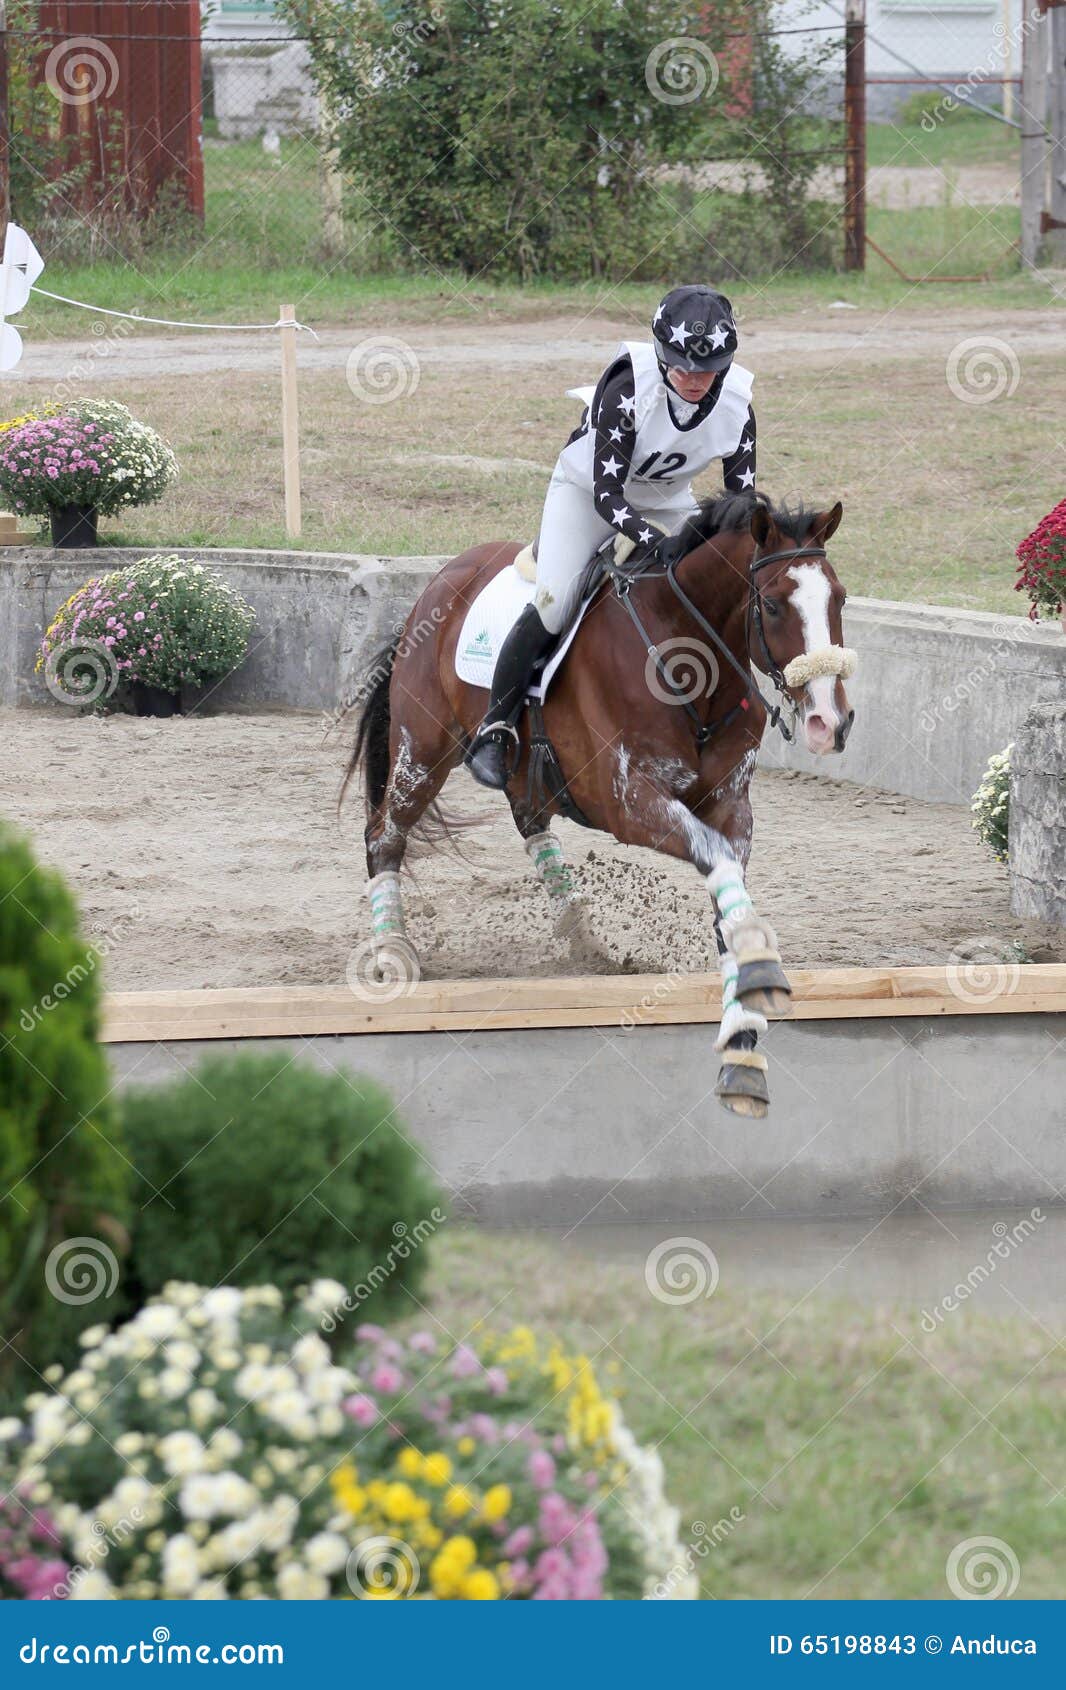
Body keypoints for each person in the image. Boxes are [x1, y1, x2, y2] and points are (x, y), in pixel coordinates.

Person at [465, 283, 757, 789]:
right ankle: (494, 730)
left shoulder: (738, 407)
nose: (692, 379)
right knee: (555, 603)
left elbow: (741, 508)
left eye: (706, 370)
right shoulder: (627, 386)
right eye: (680, 365)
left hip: (667, 501)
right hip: (587, 495)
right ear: (662, 353)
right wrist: (651, 539)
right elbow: (608, 497)